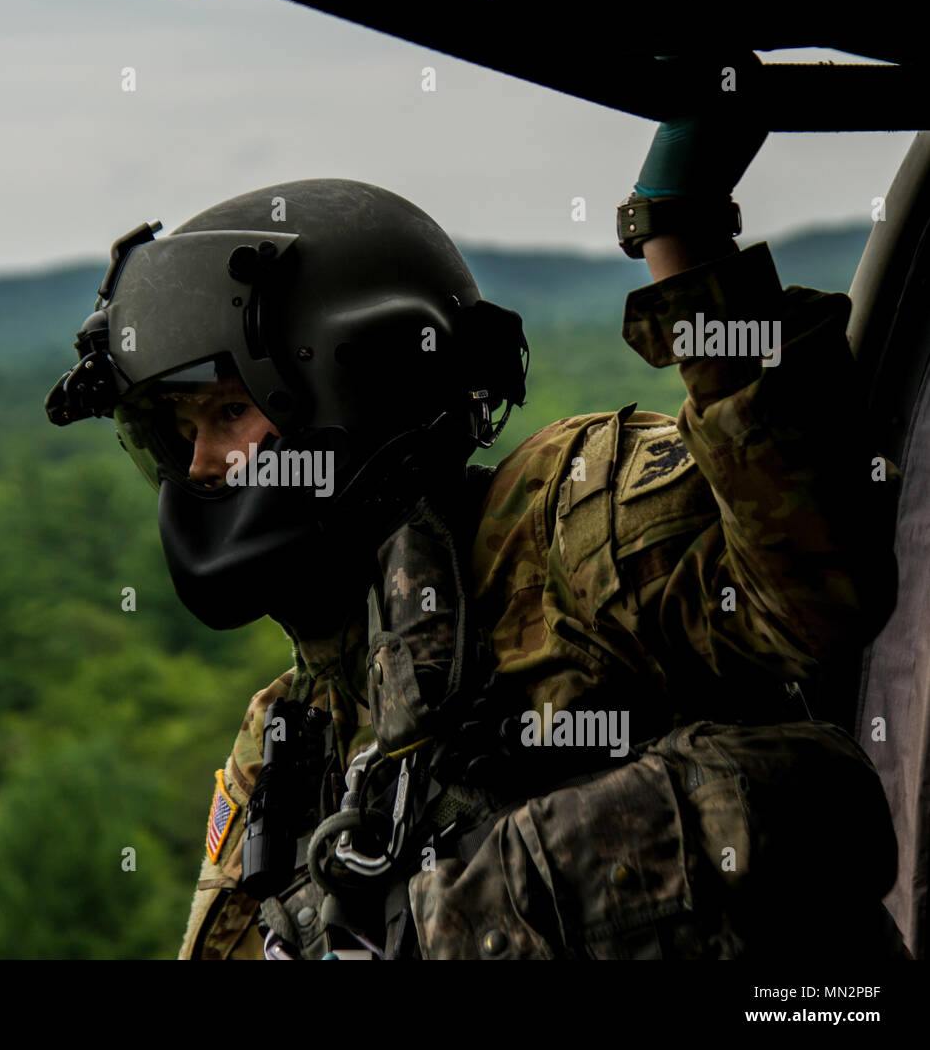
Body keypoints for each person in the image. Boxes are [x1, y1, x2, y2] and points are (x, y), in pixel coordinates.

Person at [45, 87, 905, 959]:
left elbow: (810, 590)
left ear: (357, 386)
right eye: (179, 431)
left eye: (228, 412)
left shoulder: (565, 522)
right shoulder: (290, 737)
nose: (198, 466)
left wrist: (679, 231)